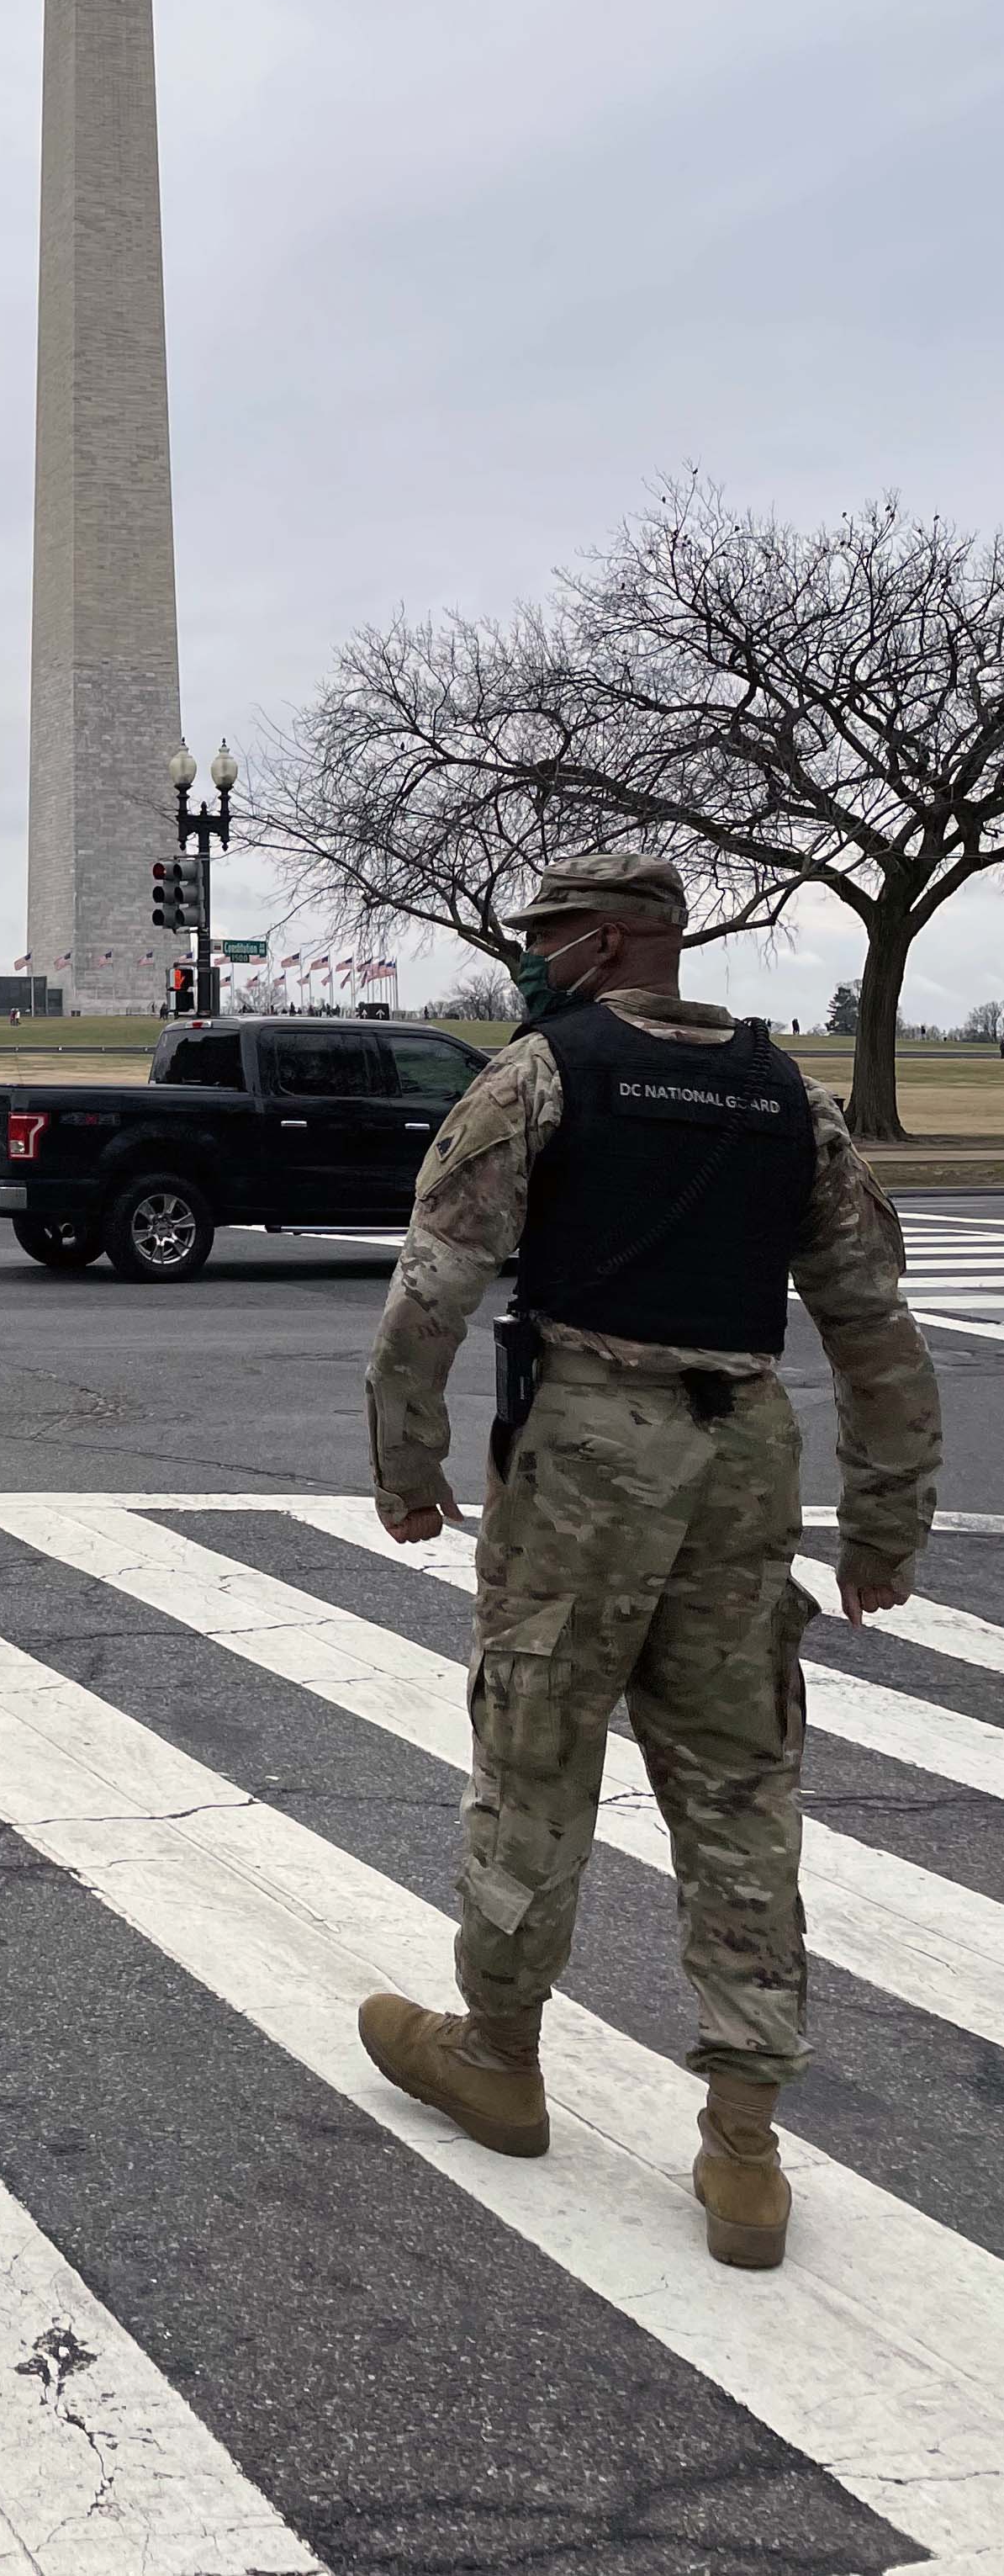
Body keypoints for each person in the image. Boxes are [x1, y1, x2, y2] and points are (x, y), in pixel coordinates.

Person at [357, 852, 942, 2270]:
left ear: (612, 942)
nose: (534, 958)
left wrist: (409, 1465)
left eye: (549, 935)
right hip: (746, 1450)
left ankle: (498, 2053)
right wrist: (885, 1523)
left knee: (537, 1756)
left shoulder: (540, 1080)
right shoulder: (787, 1101)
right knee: (742, 1783)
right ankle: (743, 2142)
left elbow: (429, 1290)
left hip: (587, 1457)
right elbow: (875, 1327)